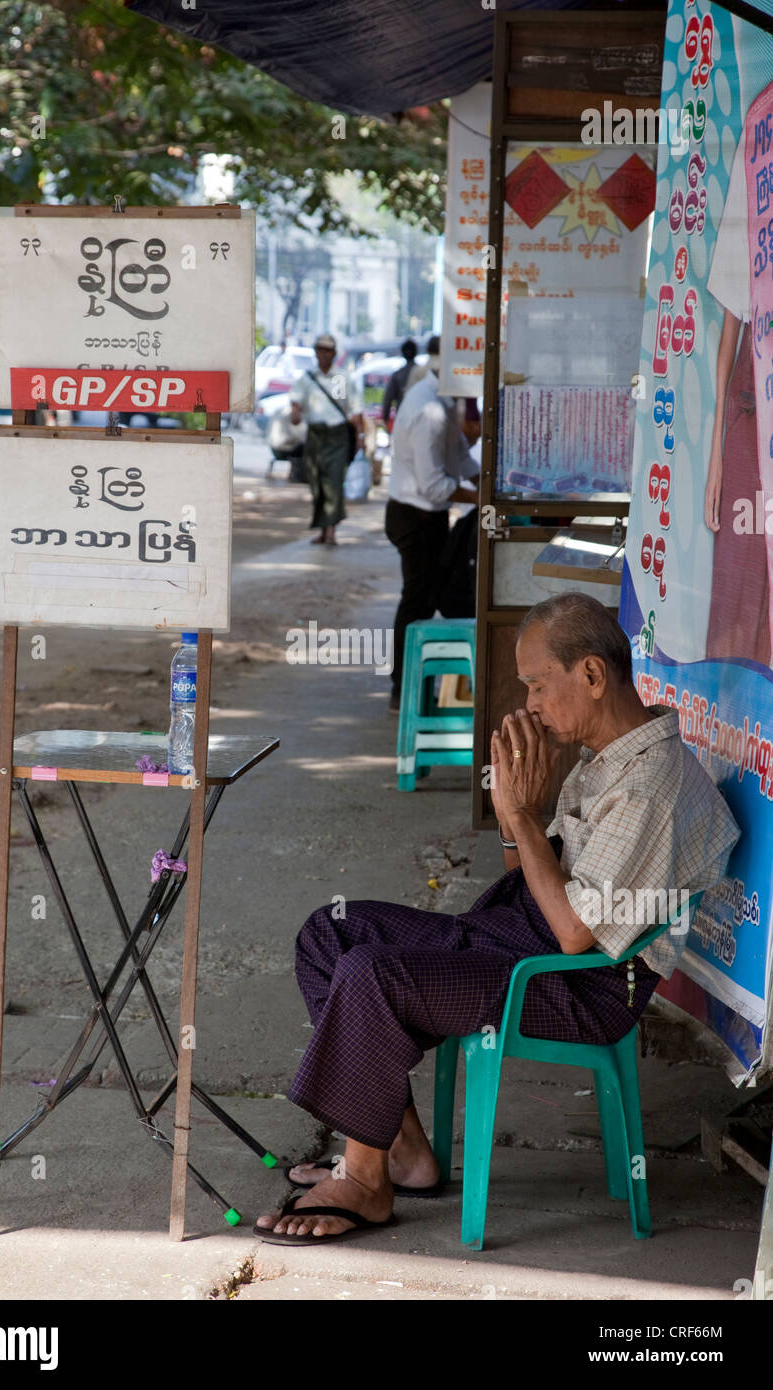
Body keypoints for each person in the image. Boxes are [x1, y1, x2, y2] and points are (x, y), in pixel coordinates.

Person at [253, 592, 740, 1244]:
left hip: (576, 986)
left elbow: (572, 935)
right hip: (520, 941)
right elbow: (529, 887)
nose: (531, 705)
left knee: (373, 971)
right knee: (330, 932)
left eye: (538, 684)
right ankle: (402, 1151)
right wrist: (523, 821)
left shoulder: (649, 788)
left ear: (592, 676)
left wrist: (518, 817)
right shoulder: (608, 759)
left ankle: (365, 1178)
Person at [703, 115, 770, 664]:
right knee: (742, 578)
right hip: (750, 389)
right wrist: (715, 456)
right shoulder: (759, 126)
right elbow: (731, 318)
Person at [385, 334, 479, 709]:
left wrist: (485, 483)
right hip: (415, 517)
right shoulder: (429, 412)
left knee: (429, 598)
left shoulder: (440, 400)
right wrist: (478, 497)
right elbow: (434, 485)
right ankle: (403, 687)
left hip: (428, 516)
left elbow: (460, 457)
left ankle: (414, 684)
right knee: (418, 601)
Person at [289, 333, 364, 546]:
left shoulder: (341, 378)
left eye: (327, 350)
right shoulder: (307, 378)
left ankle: (331, 530)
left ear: (334, 353)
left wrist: (360, 436)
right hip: (315, 435)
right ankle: (323, 529)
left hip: (337, 436)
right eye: (320, 349)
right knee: (316, 482)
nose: (323, 354)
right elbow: (296, 402)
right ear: (316, 352)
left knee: (333, 481)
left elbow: (354, 409)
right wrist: (295, 412)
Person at [381, 338, 419, 426]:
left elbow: (388, 398)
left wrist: (385, 417)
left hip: (402, 416)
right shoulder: (424, 374)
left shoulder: (398, 375)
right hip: (421, 416)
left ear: (402, 353)